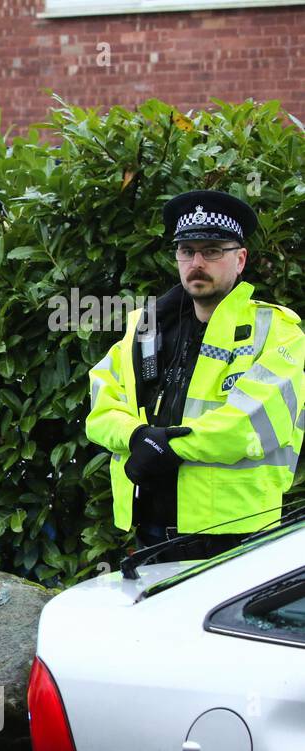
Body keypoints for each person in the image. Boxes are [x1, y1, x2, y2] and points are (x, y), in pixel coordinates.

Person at [86, 190, 305, 560]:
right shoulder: (145, 326)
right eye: (187, 251)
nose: (197, 262)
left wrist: (163, 446)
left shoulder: (277, 330)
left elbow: (250, 426)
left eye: (213, 250)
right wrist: (138, 435)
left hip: (235, 533)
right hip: (150, 530)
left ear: (240, 260)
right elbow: (101, 405)